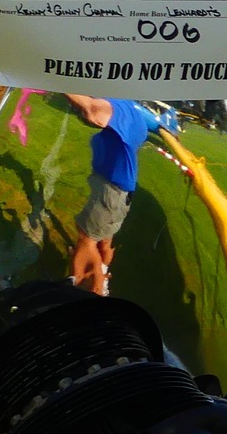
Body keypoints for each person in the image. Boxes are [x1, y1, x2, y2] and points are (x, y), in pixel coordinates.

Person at [64, 96, 163, 296]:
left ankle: (84, 292)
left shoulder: (118, 107)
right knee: (105, 242)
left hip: (110, 192)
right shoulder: (134, 113)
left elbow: (92, 110)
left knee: (86, 240)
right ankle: (102, 275)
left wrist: (50, 78)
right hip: (121, 192)